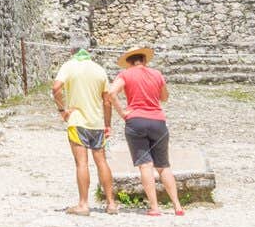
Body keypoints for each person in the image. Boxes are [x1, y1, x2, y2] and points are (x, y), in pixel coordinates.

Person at [108, 47, 183, 216]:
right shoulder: (157, 74)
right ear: (144, 60)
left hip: (136, 121)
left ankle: (155, 207)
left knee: (145, 164)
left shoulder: (125, 75)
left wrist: (122, 112)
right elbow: (164, 97)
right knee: (163, 166)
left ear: (129, 62)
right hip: (158, 121)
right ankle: (177, 206)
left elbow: (111, 93)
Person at [52, 47, 116, 215]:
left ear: (73, 51)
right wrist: (107, 123)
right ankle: (111, 203)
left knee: (82, 163)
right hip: (97, 123)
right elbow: (107, 101)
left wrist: (62, 110)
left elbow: (56, 88)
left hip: (77, 121)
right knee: (101, 161)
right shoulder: (99, 70)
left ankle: (83, 204)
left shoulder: (69, 66)